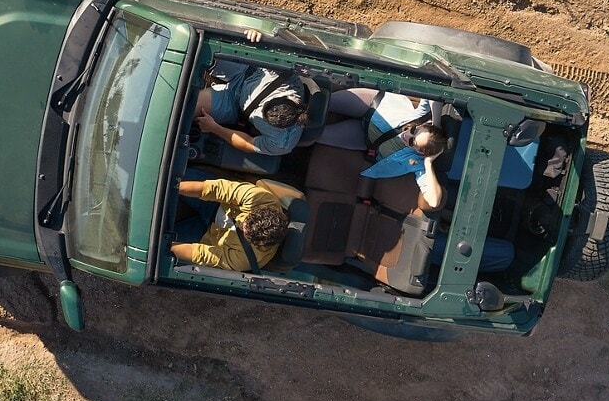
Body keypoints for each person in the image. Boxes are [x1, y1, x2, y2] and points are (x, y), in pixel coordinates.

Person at [317, 88, 449, 211]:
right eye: (414, 130)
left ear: (420, 151)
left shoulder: (417, 162)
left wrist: (428, 163)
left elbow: (433, 202)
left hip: (363, 137)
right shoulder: (421, 116)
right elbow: (435, 93)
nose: (407, 134)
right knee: (322, 100)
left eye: (412, 141)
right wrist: (436, 125)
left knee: (315, 134)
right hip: (372, 106)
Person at [194, 29, 308, 156]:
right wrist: (260, 35)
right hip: (245, 70)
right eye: (266, 106)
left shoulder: (282, 143)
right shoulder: (289, 80)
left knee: (191, 104)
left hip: (234, 103)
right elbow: (275, 47)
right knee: (204, 49)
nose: (260, 111)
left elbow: (249, 143)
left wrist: (215, 128)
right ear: (285, 98)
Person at [170, 175, 289, 271]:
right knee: (174, 177)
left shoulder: (246, 259)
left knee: (165, 241)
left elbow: (202, 254)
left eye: (245, 232)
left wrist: (161, 245)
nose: (241, 225)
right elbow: (215, 189)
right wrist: (172, 187)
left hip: (206, 237)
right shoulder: (259, 198)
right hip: (215, 203)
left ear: (258, 243)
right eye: (245, 221)